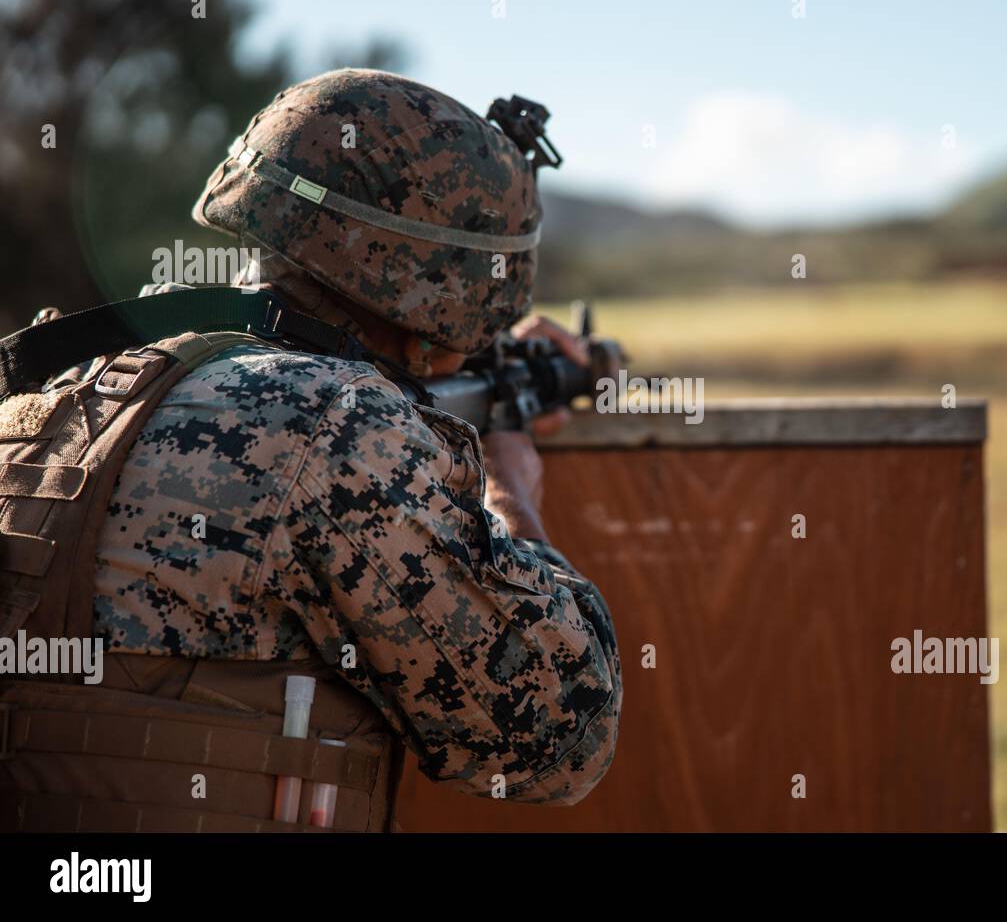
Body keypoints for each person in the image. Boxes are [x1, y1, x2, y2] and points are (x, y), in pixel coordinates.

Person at [0, 69, 621, 832]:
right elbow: (558, 736)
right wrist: (512, 495)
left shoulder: (63, 387)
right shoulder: (337, 424)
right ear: (441, 289)